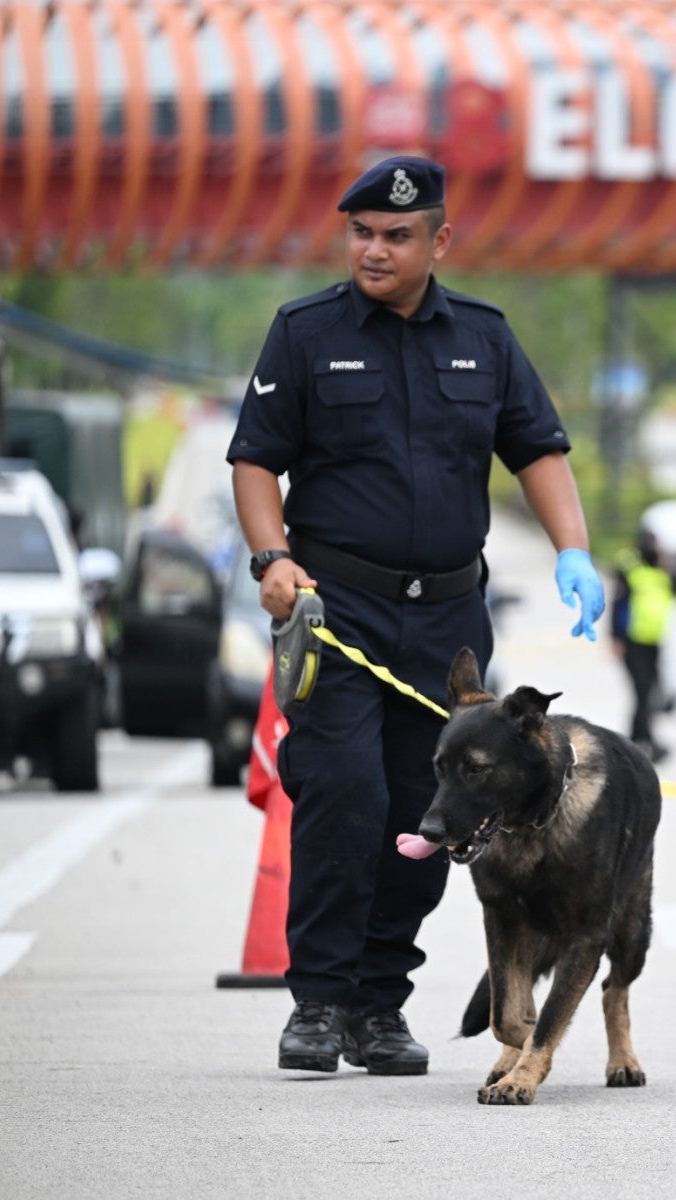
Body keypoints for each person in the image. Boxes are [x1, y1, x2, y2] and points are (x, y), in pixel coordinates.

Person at [227, 155, 606, 1077]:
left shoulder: (483, 337)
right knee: (343, 795)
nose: (376, 249)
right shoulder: (306, 332)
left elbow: (538, 450)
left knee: (428, 814)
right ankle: (318, 1000)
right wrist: (273, 559)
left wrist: (574, 549)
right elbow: (254, 461)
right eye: (362, 232)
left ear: (438, 241)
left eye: (397, 235)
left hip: (447, 625)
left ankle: (379, 1002)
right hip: (340, 612)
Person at [611, 530, 675, 762]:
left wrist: (667, 563)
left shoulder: (661, 571)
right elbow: (618, 605)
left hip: (654, 642)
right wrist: (616, 638)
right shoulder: (630, 570)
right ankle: (639, 742)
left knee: (648, 693)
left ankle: (637, 741)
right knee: (642, 693)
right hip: (633, 642)